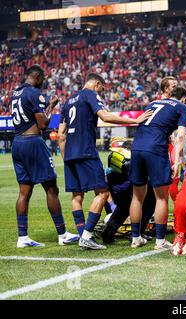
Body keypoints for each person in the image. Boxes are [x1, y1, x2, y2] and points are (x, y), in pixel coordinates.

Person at [58, 73, 151, 250]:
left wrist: (66, 157)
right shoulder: (90, 94)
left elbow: (61, 135)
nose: (102, 91)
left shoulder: (68, 100)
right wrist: (134, 120)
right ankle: (86, 236)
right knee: (102, 193)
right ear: (97, 84)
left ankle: (82, 235)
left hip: (69, 154)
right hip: (86, 151)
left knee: (77, 196)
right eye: (102, 88)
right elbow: (105, 116)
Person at [10, 65, 79, 248]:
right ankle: (63, 234)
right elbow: (43, 124)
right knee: (51, 188)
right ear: (38, 77)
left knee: (24, 191)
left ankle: (22, 237)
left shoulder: (15, 93)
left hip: (17, 143)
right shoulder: (34, 93)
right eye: (43, 79)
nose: (44, 82)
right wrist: (51, 106)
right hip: (33, 142)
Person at [129, 87, 186, 249]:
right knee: (161, 197)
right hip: (155, 149)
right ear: (183, 99)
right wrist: (177, 161)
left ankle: (136, 238)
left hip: (136, 148)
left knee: (137, 197)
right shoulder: (182, 107)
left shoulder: (153, 103)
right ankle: (160, 240)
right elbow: (181, 135)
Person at [101, 142, 156, 244]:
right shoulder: (132, 158)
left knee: (123, 209)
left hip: (116, 189)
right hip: (130, 186)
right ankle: (137, 233)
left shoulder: (114, 158)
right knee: (149, 204)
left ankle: (108, 233)